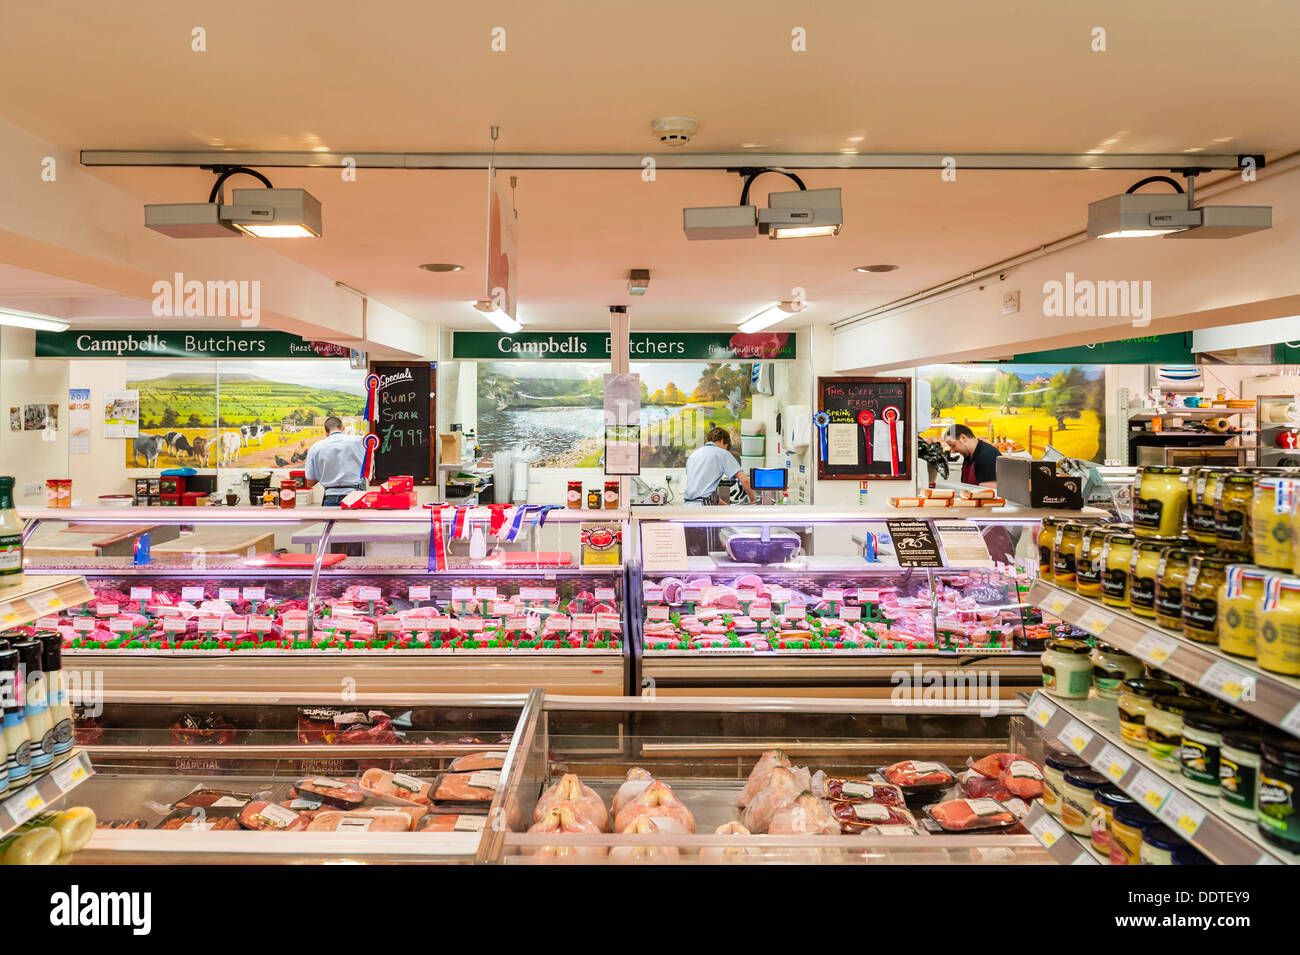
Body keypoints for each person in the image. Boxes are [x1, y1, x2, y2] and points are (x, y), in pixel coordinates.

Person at [303, 416, 366, 506]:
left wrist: (326, 473)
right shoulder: (359, 441)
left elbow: (309, 482)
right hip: (355, 497)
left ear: (326, 432)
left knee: (330, 521)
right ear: (343, 428)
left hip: (330, 497)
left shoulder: (316, 447)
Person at [684, 427, 755, 505]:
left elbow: (709, 495)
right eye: (726, 447)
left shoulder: (694, 455)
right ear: (722, 440)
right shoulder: (722, 453)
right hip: (704, 507)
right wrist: (754, 502)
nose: (725, 449)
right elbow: (745, 481)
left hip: (688, 506)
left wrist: (728, 508)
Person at [941, 423, 1002, 488]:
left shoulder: (987, 456)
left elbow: (989, 493)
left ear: (963, 438)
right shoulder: (968, 455)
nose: (953, 451)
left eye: (953, 445)